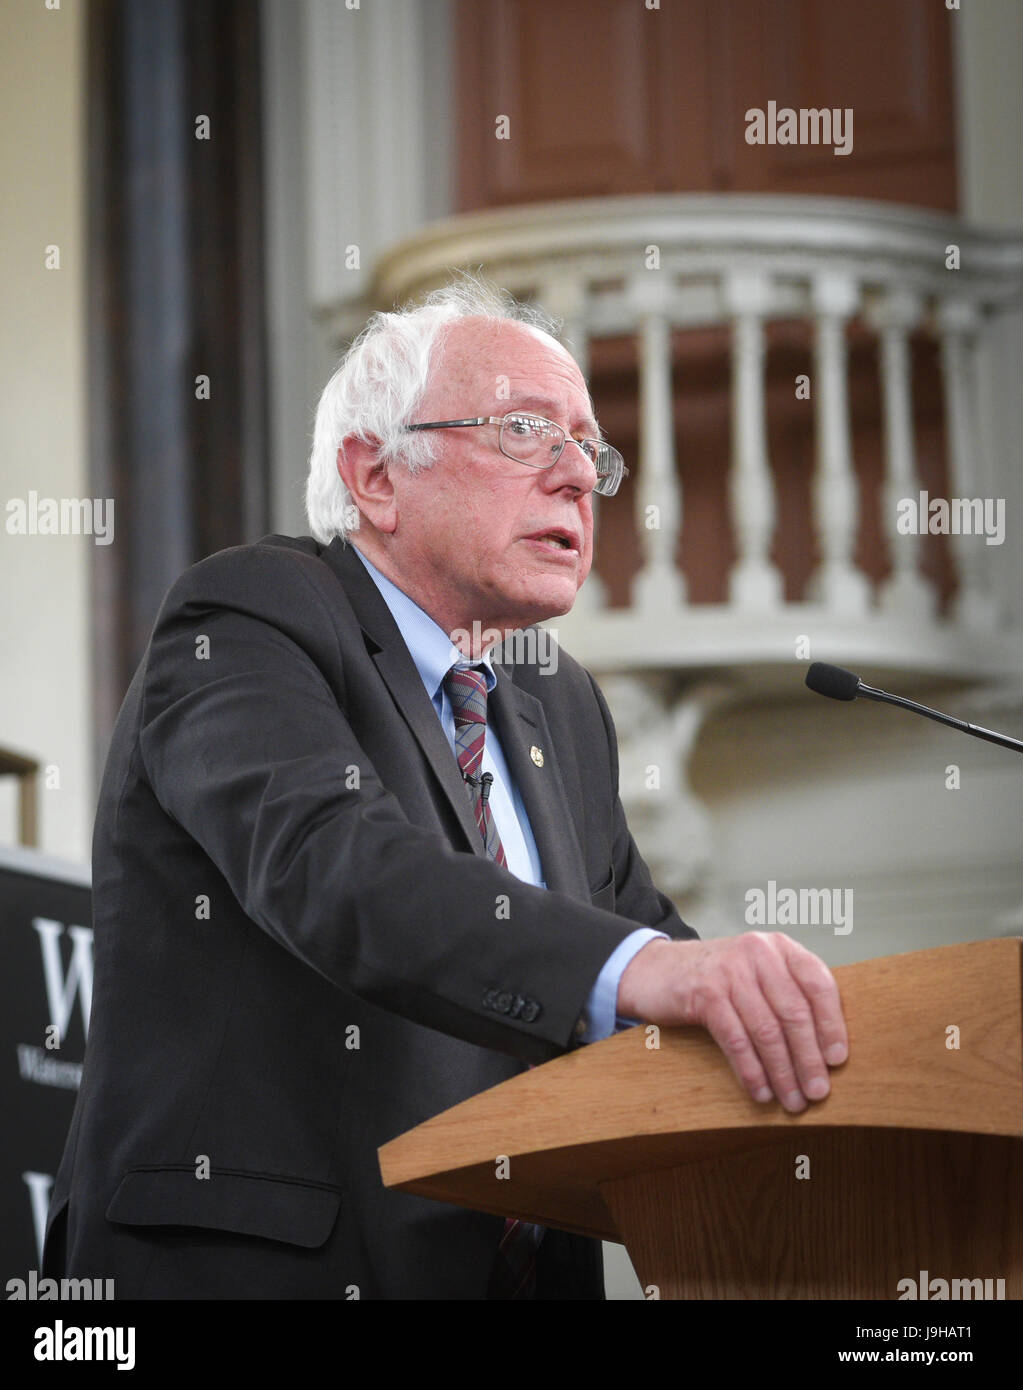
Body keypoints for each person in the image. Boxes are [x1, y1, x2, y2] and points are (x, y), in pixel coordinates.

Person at [42, 278, 847, 1299]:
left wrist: (796, 1038)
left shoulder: (558, 702)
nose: (576, 478)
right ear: (374, 474)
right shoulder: (249, 616)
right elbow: (339, 869)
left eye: (589, 450)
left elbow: (645, 943)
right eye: (526, 431)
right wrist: (649, 971)